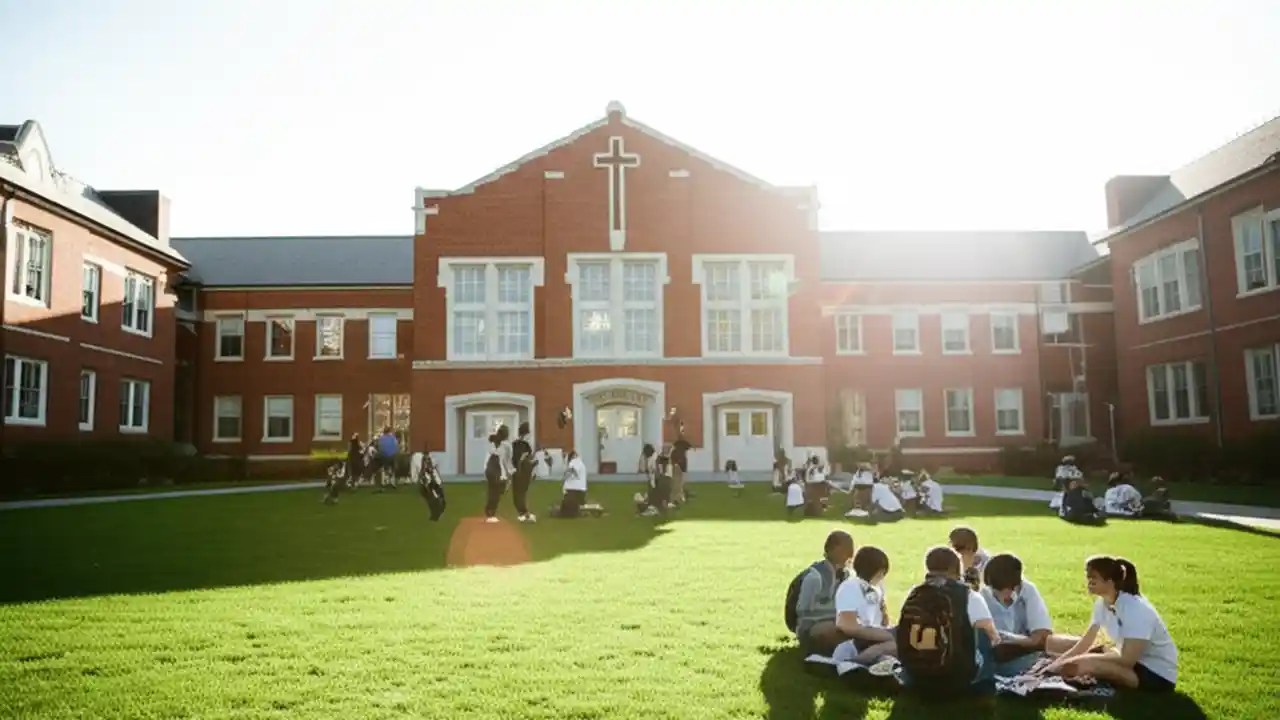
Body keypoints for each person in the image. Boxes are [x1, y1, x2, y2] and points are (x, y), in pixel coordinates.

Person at [1040, 556, 1178, 693]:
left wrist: (1082, 660)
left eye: (1093, 577)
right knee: (1059, 648)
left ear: (1110, 581)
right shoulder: (1102, 604)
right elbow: (1086, 642)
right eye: (1088, 577)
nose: (1089, 581)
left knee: (1078, 665)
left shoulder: (1136, 608)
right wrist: (1057, 664)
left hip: (1154, 674)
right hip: (1130, 663)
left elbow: (1127, 660)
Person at [896, 546, 1001, 695]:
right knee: (984, 634)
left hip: (915, 677)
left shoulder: (914, 594)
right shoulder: (968, 595)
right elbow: (992, 635)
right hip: (957, 681)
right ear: (956, 567)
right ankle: (985, 683)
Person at [980, 554, 1053, 676]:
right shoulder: (982, 596)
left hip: (1025, 653)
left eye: (1007, 590)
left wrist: (1011, 639)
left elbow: (1042, 636)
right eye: (997, 591)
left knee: (1057, 649)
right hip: (994, 660)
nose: (1003, 597)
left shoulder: (1028, 591)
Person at [833, 546, 898, 671]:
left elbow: (883, 620)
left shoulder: (878, 587)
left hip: (875, 636)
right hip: (856, 641)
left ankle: (883, 667)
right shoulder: (850, 587)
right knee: (895, 645)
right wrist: (884, 635)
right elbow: (847, 625)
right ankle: (854, 663)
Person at [792, 530, 855, 655]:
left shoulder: (847, 575)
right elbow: (802, 610)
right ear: (832, 549)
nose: (848, 555)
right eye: (845, 550)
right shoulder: (815, 577)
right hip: (812, 627)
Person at [482, 424, 513, 523]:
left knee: (494, 490)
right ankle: (491, 512)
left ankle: (489, 510)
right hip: (496, 468)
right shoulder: (506, 445)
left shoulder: (493, 442)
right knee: (497, 491)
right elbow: (506, 461)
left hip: (490, 468)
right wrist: (510, 472)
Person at [510, 422, 537, 523]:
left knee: (517, 493)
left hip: (516, 471)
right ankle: (524, 513)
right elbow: (527, 458)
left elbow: (512, 458)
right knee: (522, 492)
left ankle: (522, 512)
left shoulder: (514, 444)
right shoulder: (525, 445)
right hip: (523, 470)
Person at [554, 449, 589, 518]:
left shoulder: (574, 462)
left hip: (573, 491)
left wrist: (565, 476)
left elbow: (571, 471)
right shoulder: (580, 463)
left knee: (567, 509)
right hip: (580, 490)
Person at [375, 426, 400, 490]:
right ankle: (392, 481)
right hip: (393, 456)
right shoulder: (393, 438)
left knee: (385, 468)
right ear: (389, 431)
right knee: (393, 468)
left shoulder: (381, 438)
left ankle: (385, 481)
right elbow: (397, 446)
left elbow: (380, 448)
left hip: (385, 456)